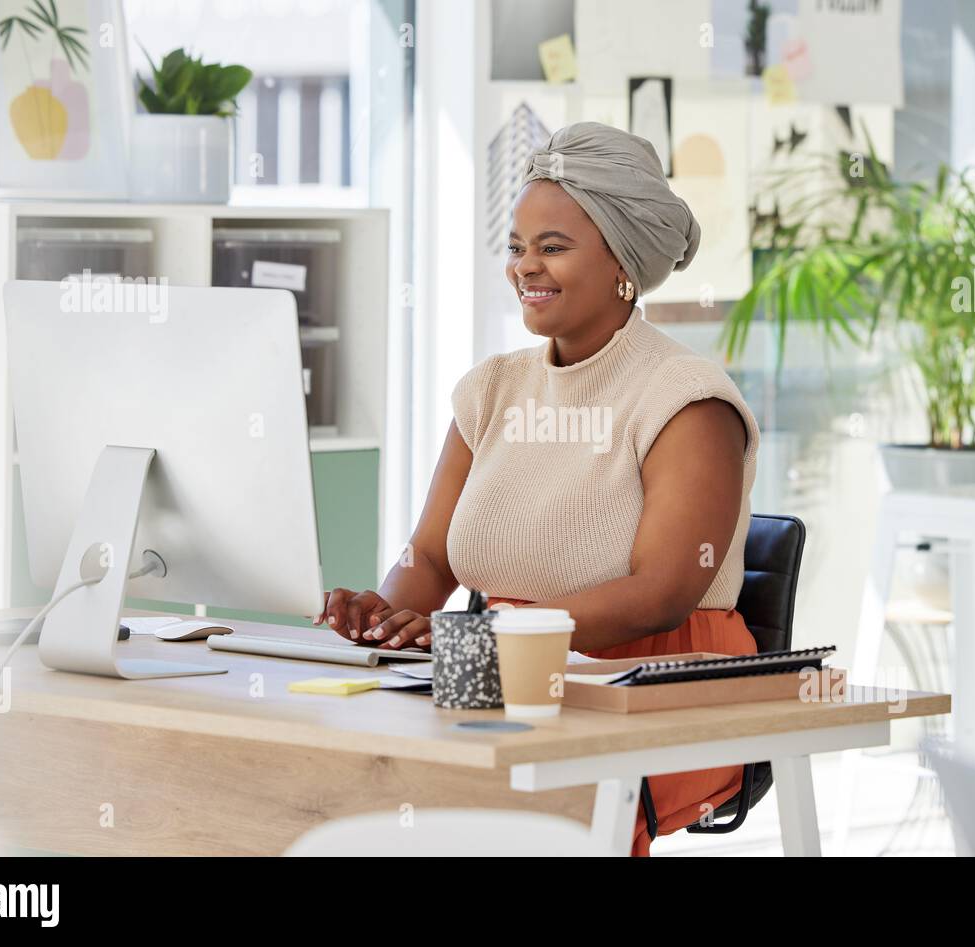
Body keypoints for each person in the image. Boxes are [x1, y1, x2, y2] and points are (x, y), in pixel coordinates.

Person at [315, 121, 761, 856]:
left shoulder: (687, 399)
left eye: (552, 247)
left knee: (468, 808)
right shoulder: (491, 388)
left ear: (623, 260)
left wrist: (492, 641)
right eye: (518, 247)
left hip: (656, 682)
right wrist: (385, 614)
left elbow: (661, 593)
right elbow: (430, 558)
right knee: (344, 776)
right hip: (500, 673)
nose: (526, 266)